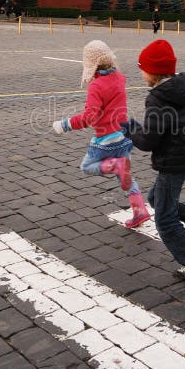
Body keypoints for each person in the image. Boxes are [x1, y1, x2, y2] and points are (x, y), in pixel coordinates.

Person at [123, 40, 185, 279]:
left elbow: (148, 141)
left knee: (165, 220)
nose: (140, 72)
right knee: (156, 197)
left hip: (173, 162)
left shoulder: (158, 98)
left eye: (141, 67)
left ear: (152, 71)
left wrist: (128, 129)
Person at [53, 40, 151, 229]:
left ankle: (115, 165)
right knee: (125, 175)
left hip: (105, 139)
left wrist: (65, 125)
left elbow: (88, 117)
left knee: (87, 166)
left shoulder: (96, 86)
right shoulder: (119, 78)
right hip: (124, 136)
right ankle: (140, 210)